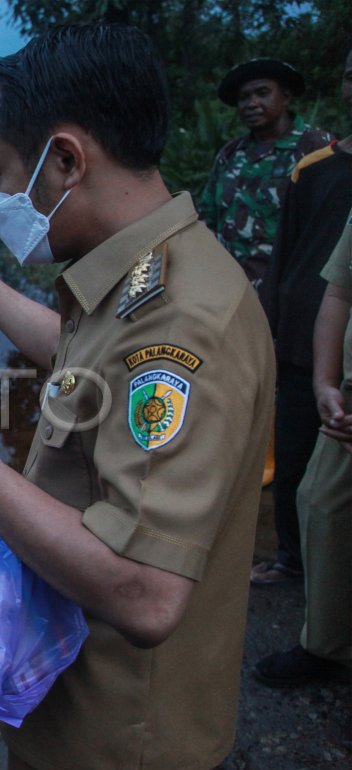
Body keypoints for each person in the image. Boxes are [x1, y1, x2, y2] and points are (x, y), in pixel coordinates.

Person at [0, 25, 274, 770]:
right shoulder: (145, 272)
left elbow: (146, 591)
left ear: (65, 160)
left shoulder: (179, 323)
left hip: (102, 722)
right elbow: (78, 355)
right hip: (63, 681)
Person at [252, 48, 352, 586]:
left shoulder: (307, 147)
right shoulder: (315, 168)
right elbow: (284, 256)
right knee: (293, 454)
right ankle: (292, 558)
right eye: (350, 74)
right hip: (301, 336)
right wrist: (271, 322)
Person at [255, 210, 352, 686]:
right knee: (322, 507)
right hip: (346, 411)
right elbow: (339, 291)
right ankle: (326, 644)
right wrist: (325, 382)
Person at [197, 57, 333, 287]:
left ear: (285, 97)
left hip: (286, 289)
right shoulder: (231, 153)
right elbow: (206, 219)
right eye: (244, 97)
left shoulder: (316, 146)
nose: (252, 103)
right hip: (228, 288)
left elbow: (328, 230)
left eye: (262, 93)